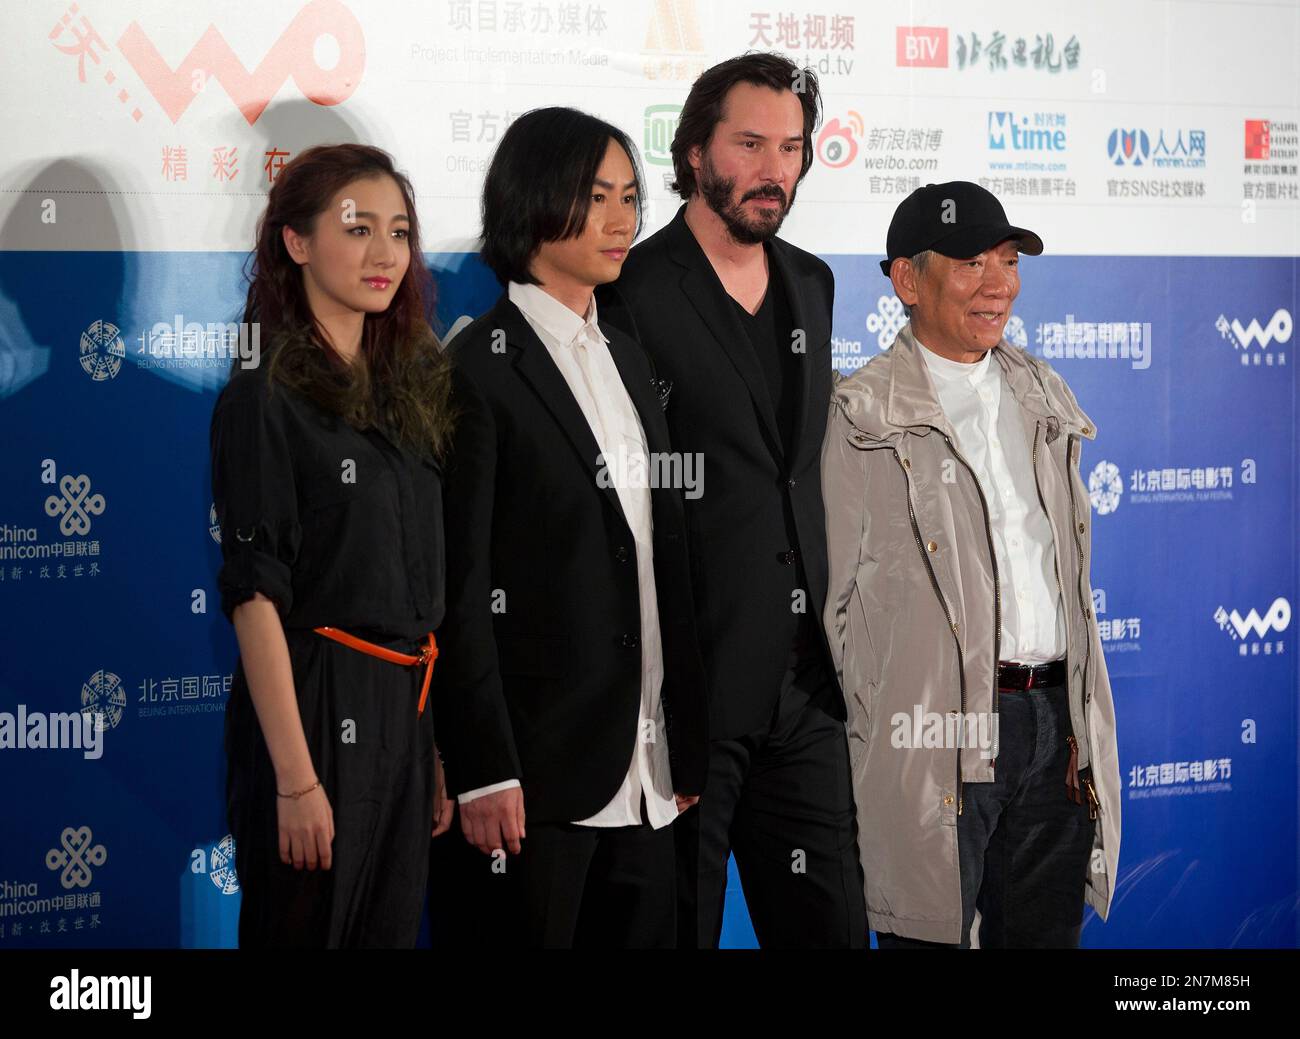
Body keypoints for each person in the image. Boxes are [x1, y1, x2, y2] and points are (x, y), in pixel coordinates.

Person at [596, 53, 866, 948]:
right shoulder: (629, 289)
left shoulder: (813, 282)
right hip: (689, 697)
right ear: (695, 151)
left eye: (790, 147)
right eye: (749, 143)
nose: (774, 169)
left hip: (808, 686)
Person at [434, 107, 709, 948]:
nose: (622, 219)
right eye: (596, 196)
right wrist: (484, 767)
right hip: (533, 786)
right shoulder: (476, 367)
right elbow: (461, 587)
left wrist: (685, 744)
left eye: (630, 197)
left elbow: (664, 556)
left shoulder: (626, 353)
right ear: (534, 200)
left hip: (649, 775)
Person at [821, 181, 1122, 947]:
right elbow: (836, 605)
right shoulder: (860, 416)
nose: (999, 284)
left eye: (1008, 260)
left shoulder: (1042, 395)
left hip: (1054, 724)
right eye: (971, 262)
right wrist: (890, 713)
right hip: (932, 731)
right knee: (927, 934)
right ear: (907, 280)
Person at [210, 143, 456, 948]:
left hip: (406, 709)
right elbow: (254, 596)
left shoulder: (408, 398)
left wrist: (432, 752)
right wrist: (295, 779)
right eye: (358, 228)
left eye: (399, 231)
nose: (385, 252)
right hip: (314, 707)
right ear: (297, 242)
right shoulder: (263, 401)